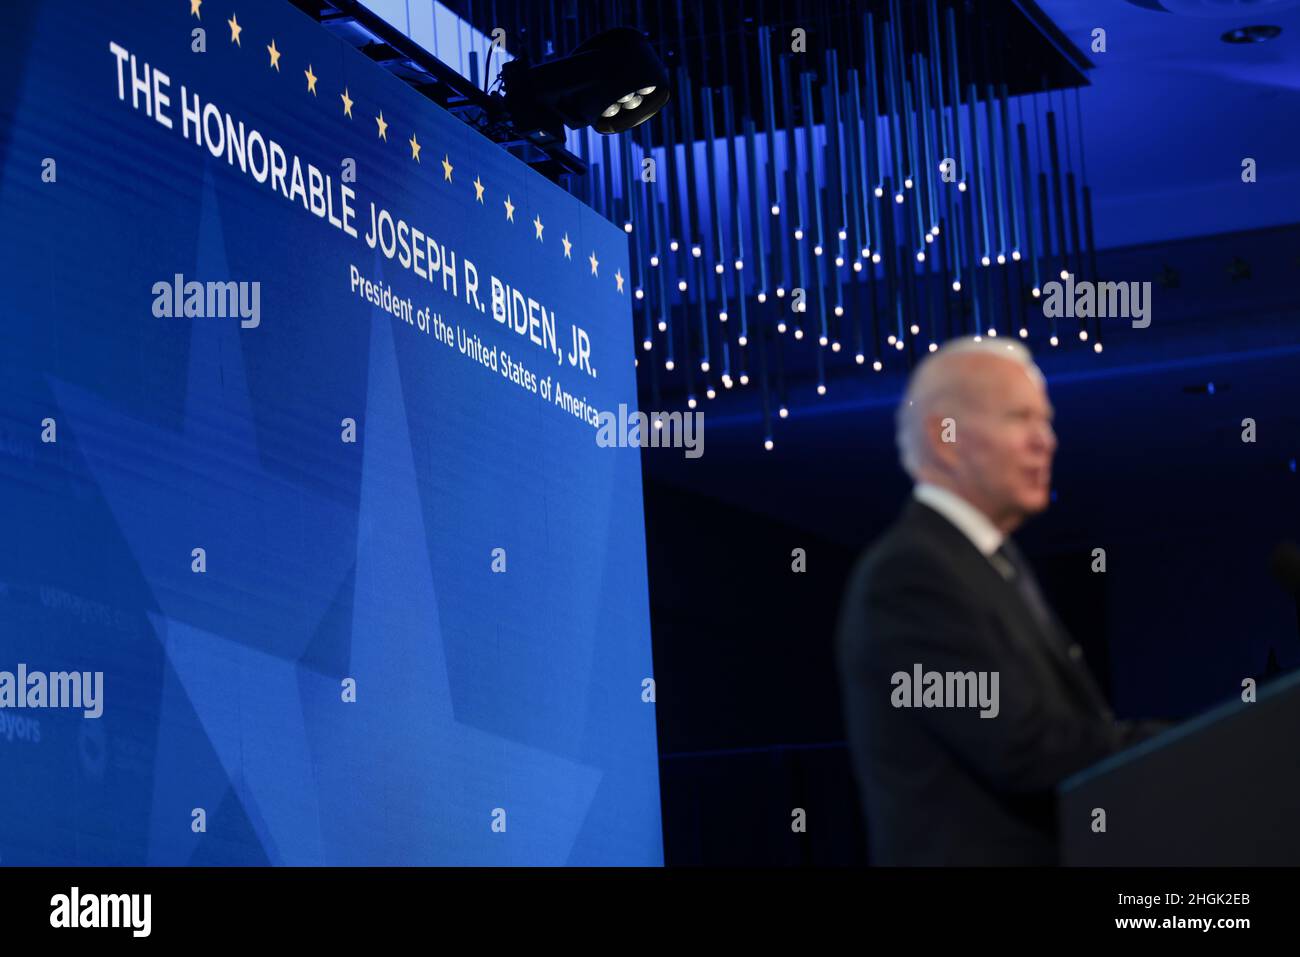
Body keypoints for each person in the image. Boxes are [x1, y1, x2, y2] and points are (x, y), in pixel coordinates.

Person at [834, 336, 1168, 865]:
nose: (1046, 441)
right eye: (1021, 419)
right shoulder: (909, 576)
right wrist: (1189, 747)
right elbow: (1021, 748)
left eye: (1047, 420)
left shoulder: (990, 561)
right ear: (944, 438)